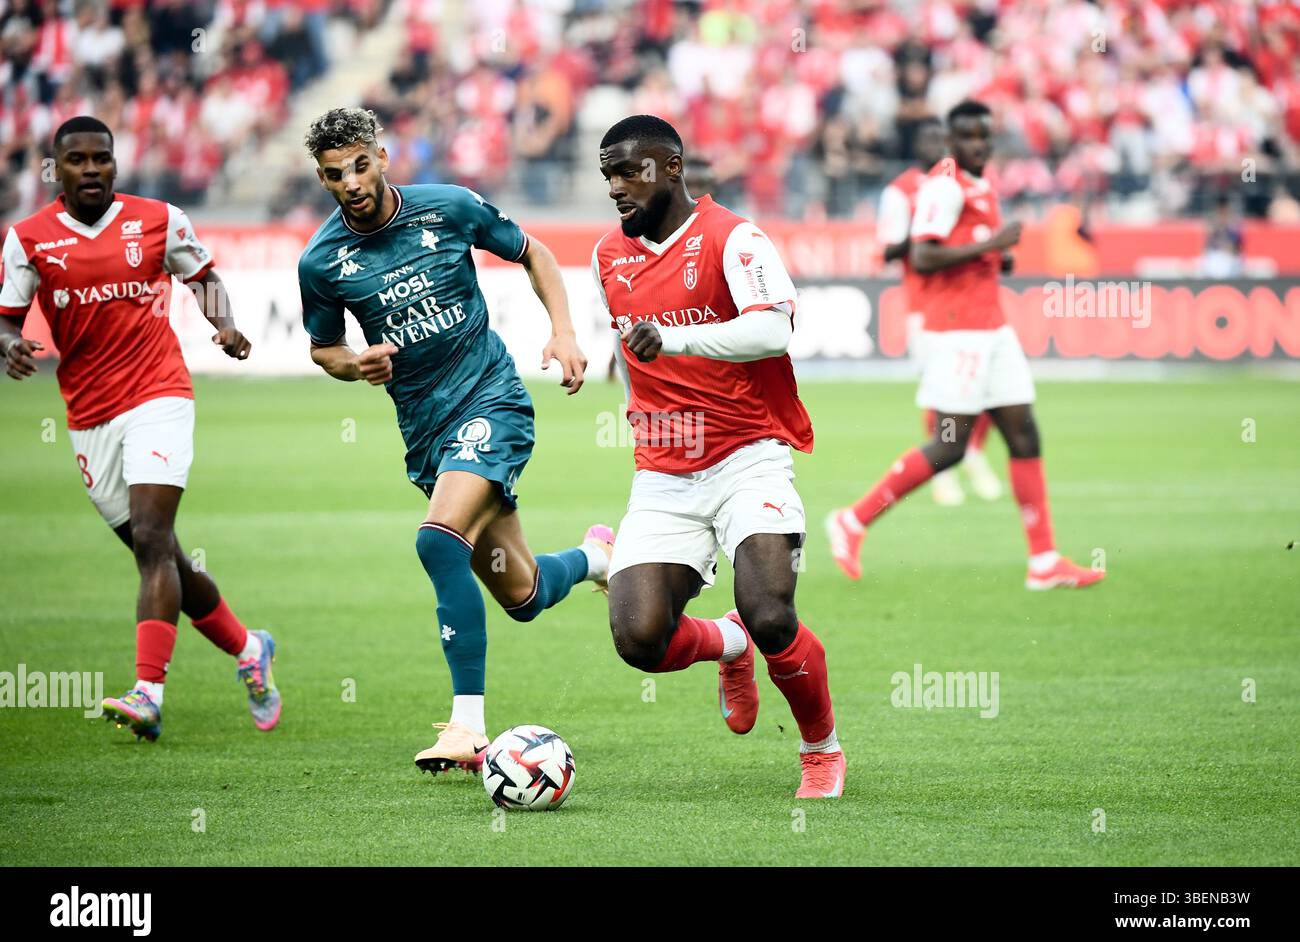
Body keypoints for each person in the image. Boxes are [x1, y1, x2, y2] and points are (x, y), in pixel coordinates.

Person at [297, 108, 610, 774]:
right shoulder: (322, 262)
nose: (350, 182)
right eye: (334, 174)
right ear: (321, 178)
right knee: (521, 595)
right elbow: (325, 350)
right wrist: (357, 365)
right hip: (426, 430)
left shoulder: (449, 208)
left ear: (382, 156)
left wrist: (563, 332)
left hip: (491, 401)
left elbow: (535, 253)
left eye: (359, 165)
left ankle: (468, 726)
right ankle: (596, 558)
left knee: (437, 539)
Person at [0, 116, 279, 741]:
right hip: (88, 413)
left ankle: (148, 692)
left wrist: (224, 324)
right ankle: (249, 649)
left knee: (153, 537)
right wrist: (9, 346)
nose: (92, 169)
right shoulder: (28, 239)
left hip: (159, 393)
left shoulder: (158, 219)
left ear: (116, 163)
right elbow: (7, 319)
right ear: (56, 168)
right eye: (77, 160)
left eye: (102, 158)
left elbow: (203, 279)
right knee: (164, 555)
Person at [592, 115, 844, 798]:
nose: (615, 185)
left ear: (671, 166)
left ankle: (820, 751)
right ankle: (729, 647)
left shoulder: (736, 238)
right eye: (607, 173)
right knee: (640, 640)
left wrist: (676, 344)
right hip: (664, 471)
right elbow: (626, 338)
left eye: (628, 170)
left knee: (770, 611)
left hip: (748, 456)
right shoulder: (607, 256)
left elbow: (772, 326)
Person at [827, 100, 1104, 591]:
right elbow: (924, 253)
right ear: (952, 142)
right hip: (956, 331)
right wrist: (989, 246)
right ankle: (853, 519)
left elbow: (968, 249)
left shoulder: (979, 184)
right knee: (950, 446)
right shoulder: (944, 185)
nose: (980, 144)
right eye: (969, 137)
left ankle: (1043, 560)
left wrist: (995, 259)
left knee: (1024, 434)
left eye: (985, 136)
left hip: (991, 326)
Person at [877, 115, 1001, 506]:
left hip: (967, 304)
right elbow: (888, 250)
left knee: (984, 391)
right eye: (926, 137)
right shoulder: (900, 192)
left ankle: (972, 452)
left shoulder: (960, 185)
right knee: (941, 392)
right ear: (916, 145)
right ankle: (944, 472)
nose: (935, 144)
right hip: (925, 305)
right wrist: (923, 228)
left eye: (939, 137)